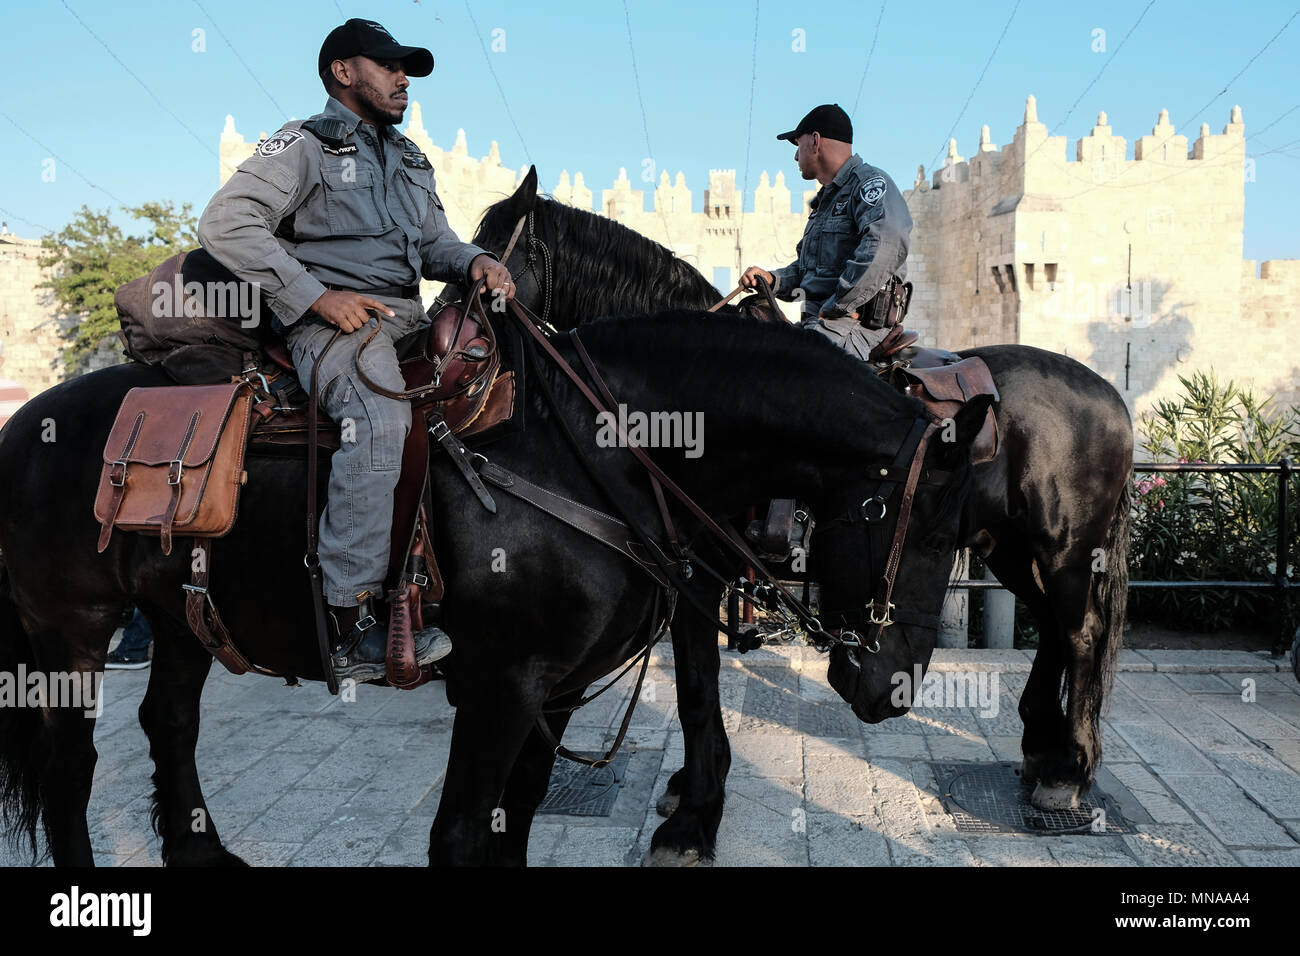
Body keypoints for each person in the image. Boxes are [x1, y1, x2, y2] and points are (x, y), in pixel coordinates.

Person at [196, 18, 515, 683]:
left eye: (409, 71)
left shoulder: (409, 158)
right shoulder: (303, 145)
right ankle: (352, 621)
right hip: (334, 327)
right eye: (390, 66)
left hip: (408, 320)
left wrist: (479, 258)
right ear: (344, 72)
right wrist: (313, 297)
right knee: (380, 421)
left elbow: (434, 246)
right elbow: (226, 222)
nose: (403, 80)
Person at [740, 103, 912, 361]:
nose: (796, 157)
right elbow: (808, 270)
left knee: (789, 375)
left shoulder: (869, 184)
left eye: (798, 145)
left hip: (855, 327)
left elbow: (886, 243)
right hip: (824, 324)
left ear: (815, 141)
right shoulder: (826, 202)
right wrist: (772, 280)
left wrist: (838, 306)